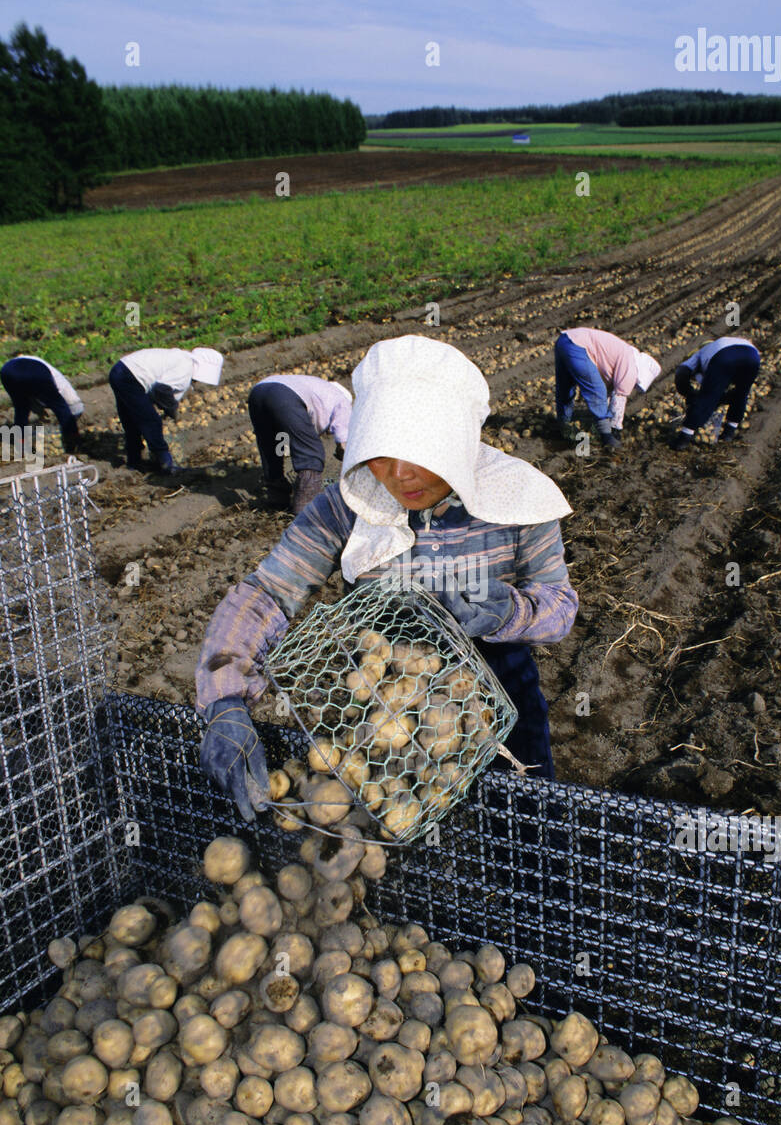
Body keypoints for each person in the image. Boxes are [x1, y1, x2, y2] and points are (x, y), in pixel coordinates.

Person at [196, 334, 579, 822]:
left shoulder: (520, 500)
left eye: (421, 452)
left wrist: (505, 609)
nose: (400, 475)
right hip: (381, 703)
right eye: (381, 453)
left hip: (502, 692)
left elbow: (559, 607)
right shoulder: (345, 505)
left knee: (526, 825)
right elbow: (267, 593)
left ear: (456, 442)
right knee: (399, 840)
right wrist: (225, 700)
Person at [107, 346, 223, 473]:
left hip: (119, 371)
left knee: (132, 421)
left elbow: (158, 391)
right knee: (151, 421)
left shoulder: (181, 359)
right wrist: (171, 409)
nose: (196, 381)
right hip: (129, 376)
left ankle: (134, 462)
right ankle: (164, 462)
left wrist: (163, 406)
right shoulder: (186, 367)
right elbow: (161, 391)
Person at [247, 373, 352, 512]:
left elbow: (282, 441)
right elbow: (343, 443)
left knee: (271, 449)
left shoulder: (319, 389)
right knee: (312, 453)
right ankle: (305, 509)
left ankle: (277, 499)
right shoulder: (342, 401)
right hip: (284, 396)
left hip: (258, 393)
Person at [554, 327, 661, 451]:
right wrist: (615, 429)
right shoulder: (631, 369)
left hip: (564, 340)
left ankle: (563, 424)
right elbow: (619, 398)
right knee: (597, 390)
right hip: (579, 346)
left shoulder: (626, 354)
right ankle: (606, 436)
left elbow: (610, 394)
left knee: (565, 388)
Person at [670, 336, 761, 449]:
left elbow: (681, 373)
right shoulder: (720, 345)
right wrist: (722, 398)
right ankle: (729, 432)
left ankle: (683, 439)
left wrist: (690, 394)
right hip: (753, 356)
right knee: (741, 394)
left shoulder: (699, 353)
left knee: (707, 397)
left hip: (725, 356)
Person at [0, 355, 84, 453]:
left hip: (7, 371)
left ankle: (20, 442)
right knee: (60, 407)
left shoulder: (52, 376)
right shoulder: (67, 392)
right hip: (34, 374)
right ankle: (72, 444)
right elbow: (65, 410)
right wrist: (71, 429)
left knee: (21, 407)